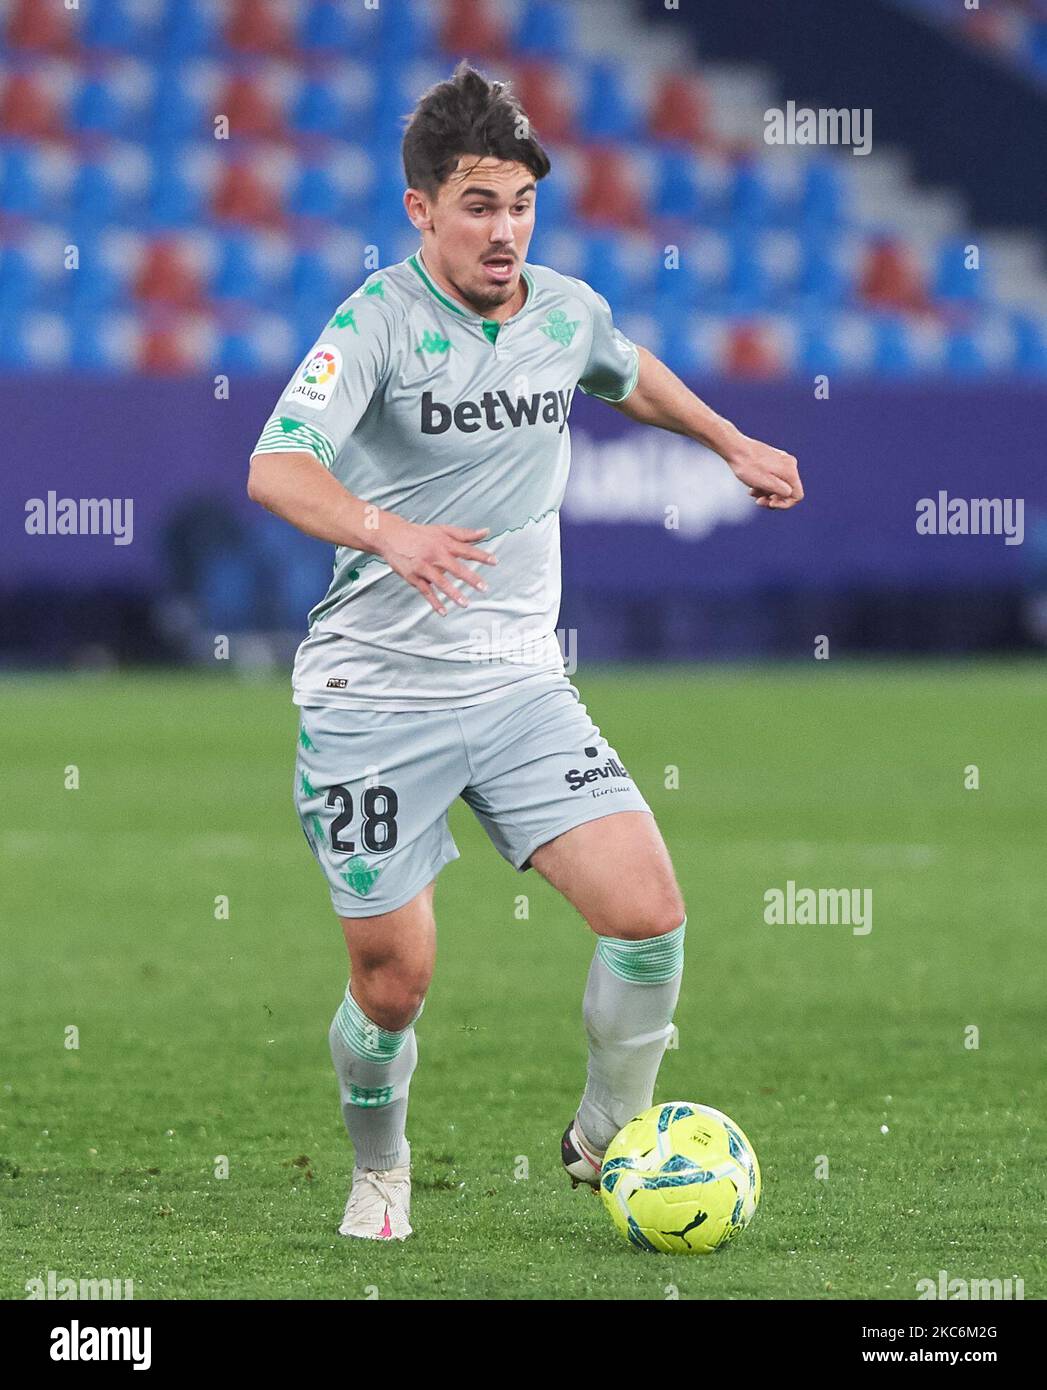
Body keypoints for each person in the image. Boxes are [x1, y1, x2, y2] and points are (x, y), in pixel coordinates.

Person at [247, 62, 803, 1241]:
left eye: (520, 205)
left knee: (649, 918)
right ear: (421, 211)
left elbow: (621, 365)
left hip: (518, 686)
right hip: (375, 690)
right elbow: (276, 465)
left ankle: (605, 1141)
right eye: (479, 206)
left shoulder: (562, 306)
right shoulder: (374, 325)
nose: (505, 231)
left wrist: (725, 436)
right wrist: (384, 528)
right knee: (393, 984)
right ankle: (381, 1164)